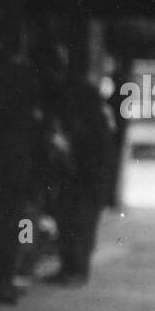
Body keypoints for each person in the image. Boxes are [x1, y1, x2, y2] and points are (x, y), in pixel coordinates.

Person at [0, 8, 42, 304]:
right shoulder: (13, 74)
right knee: (5, 227)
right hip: (11, 163)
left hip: (10, 163)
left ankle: (0, 280)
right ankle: (0, 281)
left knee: (3, 227)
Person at [46, 43, 117, 284]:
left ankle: (75, 269)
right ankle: (74, 268)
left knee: (77, 222)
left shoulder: (77, 100)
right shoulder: (93, 103)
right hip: (88, 172)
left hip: (84, 172)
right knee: (78, 223)